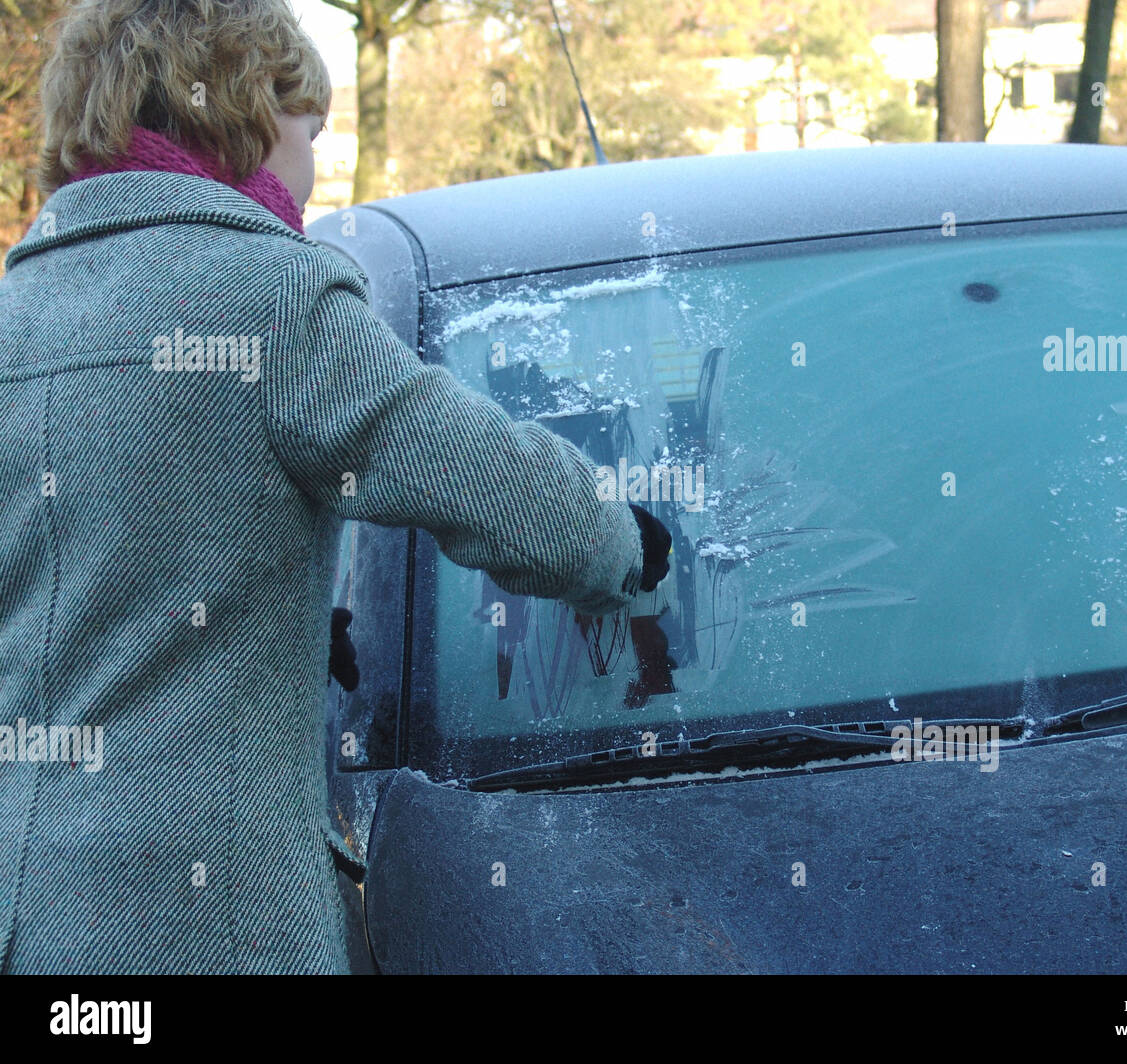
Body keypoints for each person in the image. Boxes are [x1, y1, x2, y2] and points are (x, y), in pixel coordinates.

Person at [0, 0, 671, 974]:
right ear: (247, 114)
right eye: (311, 128)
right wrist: (631, 546)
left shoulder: (15, 316)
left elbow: (80, 577)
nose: (316, 162)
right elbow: (485, 482)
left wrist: (267, 622)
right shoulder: (272, 298)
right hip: (205, 932)